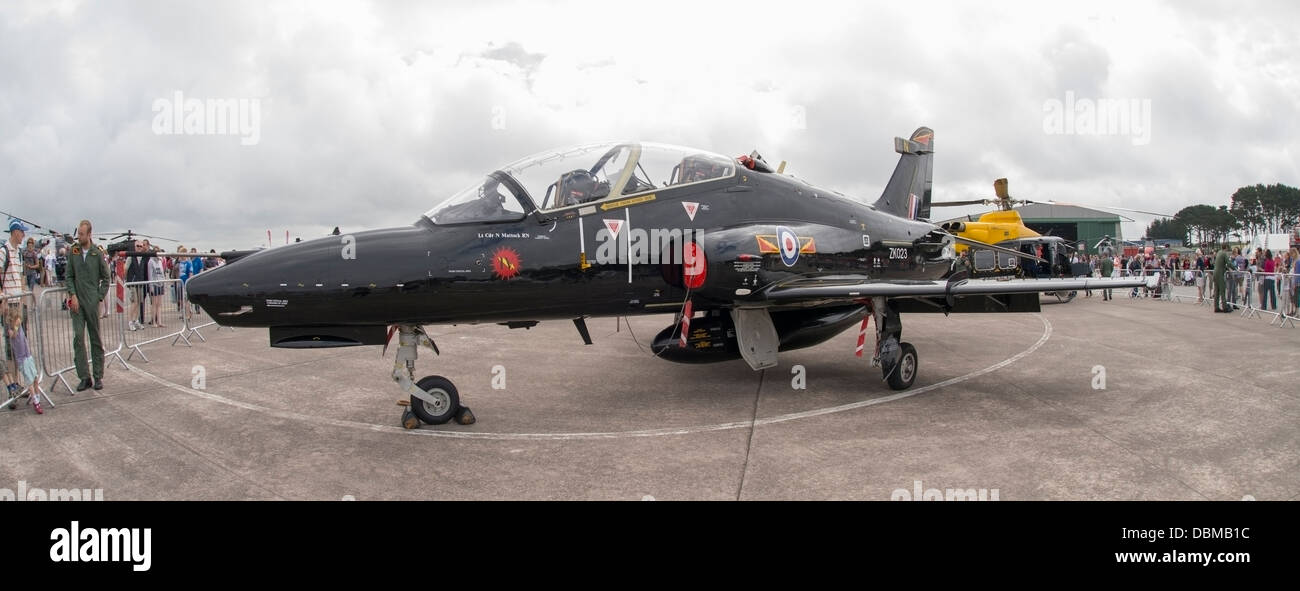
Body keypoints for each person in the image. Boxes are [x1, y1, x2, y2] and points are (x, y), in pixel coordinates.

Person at [66, 220, 111, 392]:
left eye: (82, 234)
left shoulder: (97, 253)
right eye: (78, 234)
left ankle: (98, 376)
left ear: (90, 234)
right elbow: (69, 275)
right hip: (77, 303)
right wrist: (73, 294)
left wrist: (99, 297)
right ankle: (84, 377)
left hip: (92, 302)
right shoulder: (74, 251)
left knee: (95, 338)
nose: (79, 237)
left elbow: (106, 278)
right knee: (78, 338)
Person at [5, 305, 42, 413]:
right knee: (29, 381)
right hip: (22, 359)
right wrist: (15, 326)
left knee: (35, 378)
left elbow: (20, 320)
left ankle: (37, 397)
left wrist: (18, 322)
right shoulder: (11, 330)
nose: (19, 321)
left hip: (28, 356)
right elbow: (13, 335)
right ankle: (36, 401)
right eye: (16, 320)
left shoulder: (19, 326)